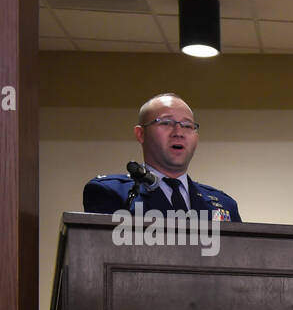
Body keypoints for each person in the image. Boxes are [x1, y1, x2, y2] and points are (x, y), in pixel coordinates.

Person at [82, 92, 241, 221]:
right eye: (166, 123)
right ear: (141, 134)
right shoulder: (114, 194)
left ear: (196, 138)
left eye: (187, 125)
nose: (178, 133)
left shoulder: (224, 205)